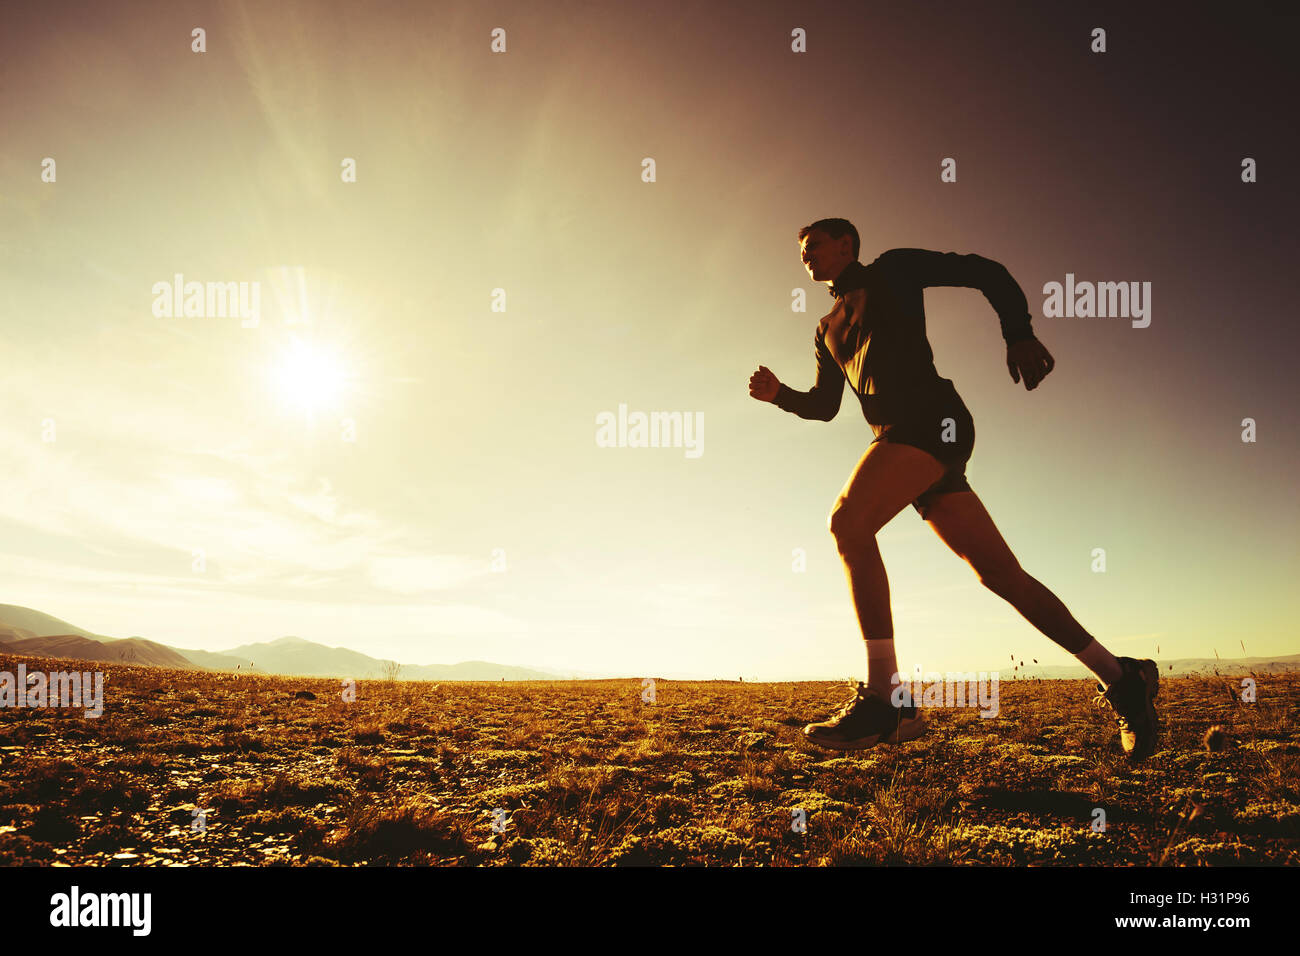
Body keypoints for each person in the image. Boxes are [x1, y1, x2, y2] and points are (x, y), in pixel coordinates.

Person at [749, 218, 1159, 762]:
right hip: (904, 446)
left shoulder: (894, 269)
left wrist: (1018, 332)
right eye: (801, 251)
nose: (806, 256)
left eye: (814, 245)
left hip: (932, 423)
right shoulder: (825, 328)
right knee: (1002, 576)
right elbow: (826, 406)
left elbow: (984, 272)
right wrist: (780, 395)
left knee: (848, 523)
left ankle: (886, 697)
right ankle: (1124, 678)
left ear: (846, 244)